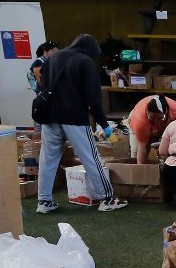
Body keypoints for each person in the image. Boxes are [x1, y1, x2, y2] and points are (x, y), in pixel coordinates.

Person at [35, 34, 127, 213]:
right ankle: (107, 199)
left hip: (50, 117)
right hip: (74, 117)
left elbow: (43, 83)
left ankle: (44, 201)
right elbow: (93, 100)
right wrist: (105, 125)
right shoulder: (85, 62)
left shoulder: (53, 58)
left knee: (48, 159)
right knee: (90, 157)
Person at [127, 94, 176, 164]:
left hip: (167, 125)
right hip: (141, 123)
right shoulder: (139, 120)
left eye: (160, 118)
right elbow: (142, 147)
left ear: (166, 111)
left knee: (171, 150)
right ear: (147, 113)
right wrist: (141, 170)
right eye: (152, 118)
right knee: (136, 154)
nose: (156, 122)